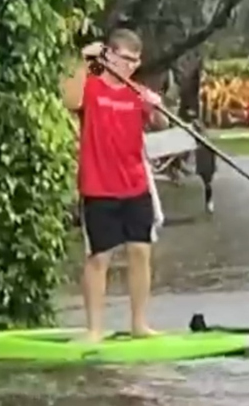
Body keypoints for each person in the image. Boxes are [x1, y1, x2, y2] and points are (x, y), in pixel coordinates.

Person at [62, 29, 169, 343]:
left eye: (136, 61)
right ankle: (94, 329)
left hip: (135, 185)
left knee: (140, 252)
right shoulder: (92, 82)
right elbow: (69, 97)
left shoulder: (136, 91)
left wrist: (157, 105)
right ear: (109, 55)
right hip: (99, 186)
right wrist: (85, 59)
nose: (131, 67)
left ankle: (139, 324)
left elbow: (161, 124)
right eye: (125, 59)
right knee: (99, 258)